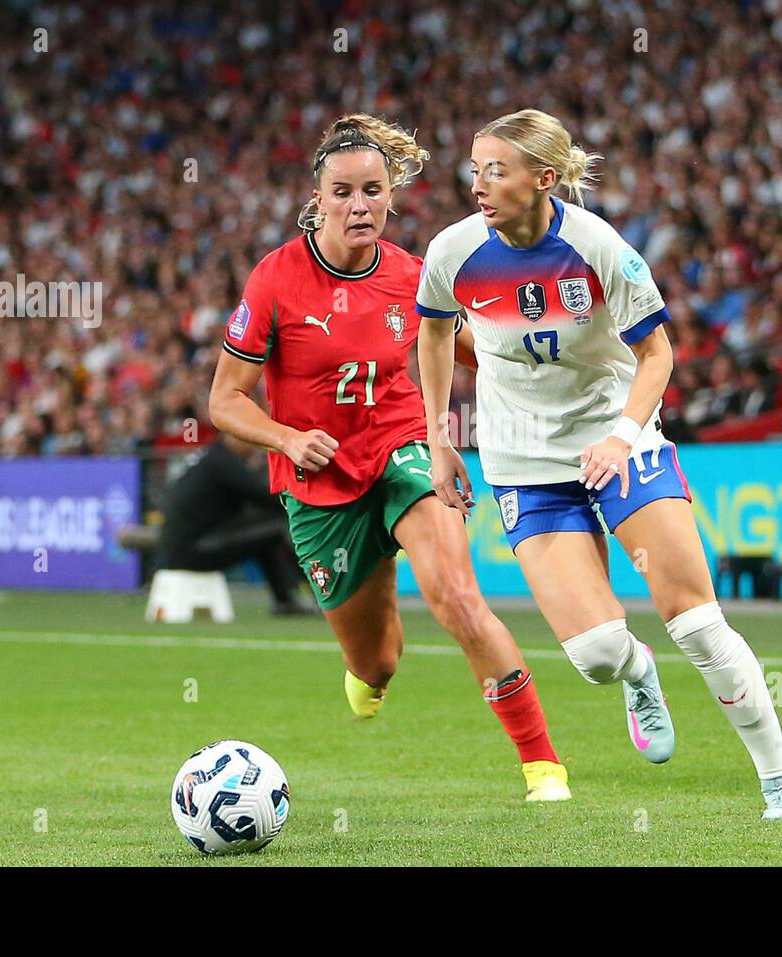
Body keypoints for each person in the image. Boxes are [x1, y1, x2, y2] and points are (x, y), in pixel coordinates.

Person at [416, 109, 782, 819]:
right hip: (525, 464)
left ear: (544, 178)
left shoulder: (598, 247)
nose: (478, 185)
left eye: (495, 171)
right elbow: (435, 332)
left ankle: (779, 778)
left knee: (696, 621)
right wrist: (438, 436)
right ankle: (638, 671)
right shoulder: (453, 252)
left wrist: (623, 436)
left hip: (618, 445)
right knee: (598, 654)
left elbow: (658, 353)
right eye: (475, 170)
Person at [208, 114, 570, 801]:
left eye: (372, 191)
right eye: (342, 192)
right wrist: (286, 438)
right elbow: (224, 400)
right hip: (318, 480)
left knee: (458, 598)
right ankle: (369, 669)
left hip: (405, 448)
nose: (359, 206)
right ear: (318, 199)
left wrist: (555, 365)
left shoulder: (414, 275)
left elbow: (481, 354)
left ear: (390, 196)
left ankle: (542, 765)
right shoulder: (275, 279)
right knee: (377, 660)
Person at [158, 433, 307, 614]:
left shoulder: (212, 457)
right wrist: (301, 501)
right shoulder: (222, 461)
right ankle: (319, 591)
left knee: (265, 533)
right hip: (194, 550)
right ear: (231, 438)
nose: (254, 447)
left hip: (179, 549)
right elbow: (262, 495)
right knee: (276, 528)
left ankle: (285, 601)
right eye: (249, 440)